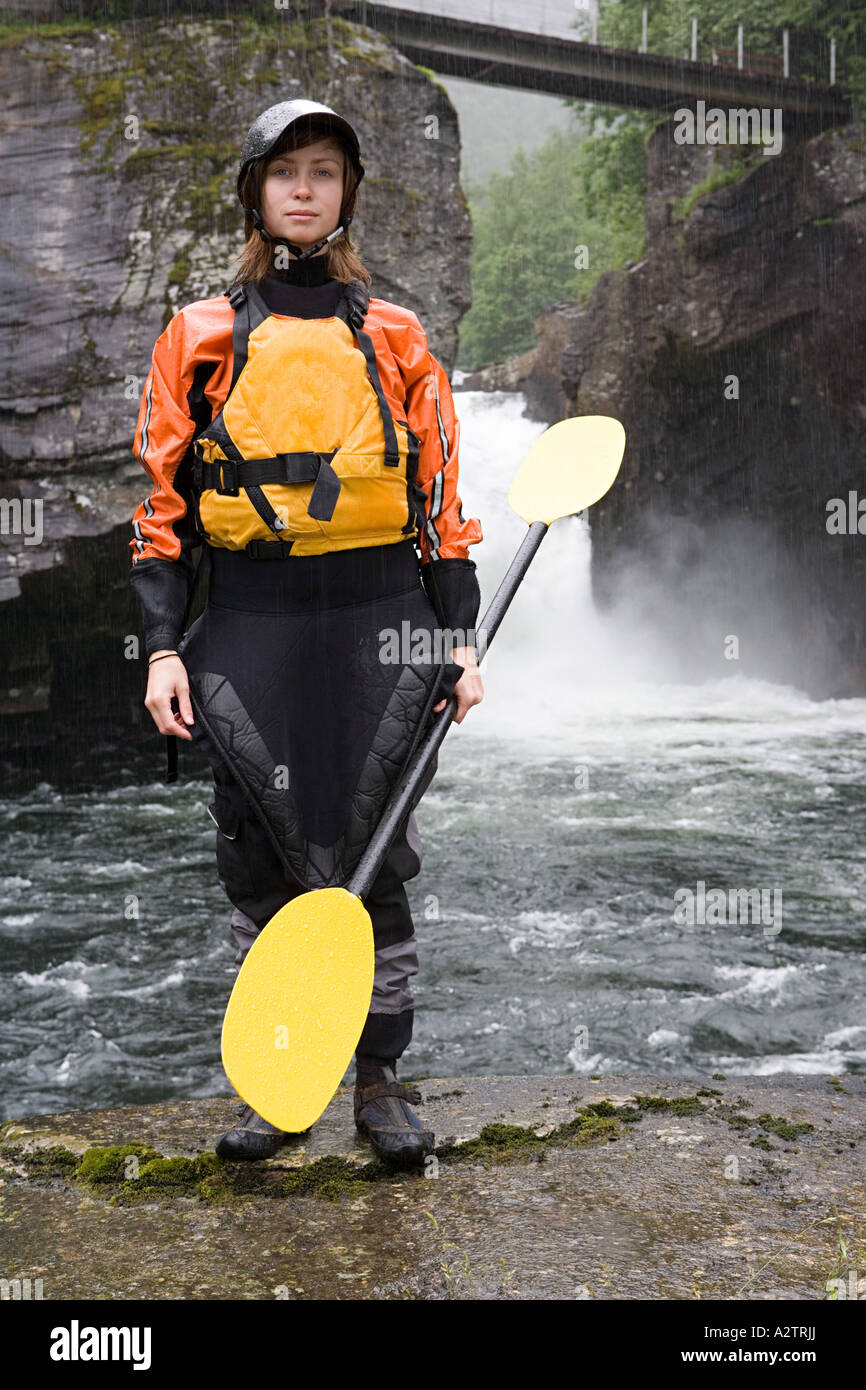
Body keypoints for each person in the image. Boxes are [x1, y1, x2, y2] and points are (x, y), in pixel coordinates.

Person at [128, 100, 484, 1170]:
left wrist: (459, 642)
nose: (303, 189)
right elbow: (160, 512)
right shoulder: (196, 334)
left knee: (375, 859)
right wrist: (158, 648)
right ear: (254, 190)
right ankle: (281, 1083)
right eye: (285, 171)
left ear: (344, 194)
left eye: (323, 172)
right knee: (263, 862)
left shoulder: (395, 335)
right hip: (248, 626)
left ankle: (379, 1086)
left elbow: (438, 501)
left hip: (385, 624)